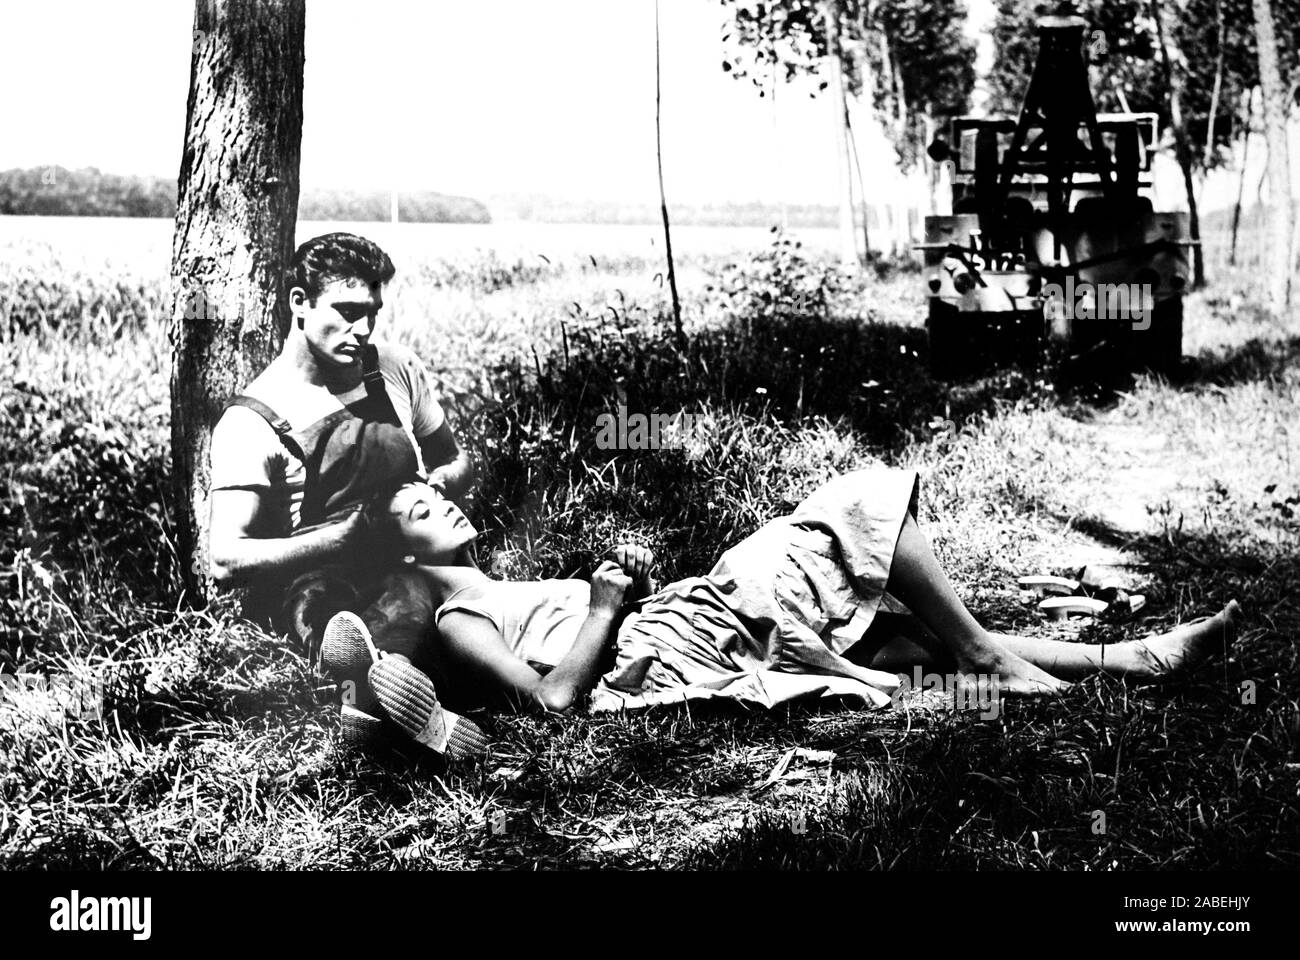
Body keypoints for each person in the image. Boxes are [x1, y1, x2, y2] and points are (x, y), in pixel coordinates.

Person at [325, 470, 1240, 745]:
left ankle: (1139, 659)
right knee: (854, 506)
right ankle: (993, 657)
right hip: (673, 642)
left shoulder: (494, 582)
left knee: (903, 638)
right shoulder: (458, 618)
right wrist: (606, 604)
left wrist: (615, 596)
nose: (440, 501)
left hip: (683, 618)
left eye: (433, 491)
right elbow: (554, 702)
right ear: (406, 552)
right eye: (417, 509)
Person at [206, 233, 486, 758]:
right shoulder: (253, 420)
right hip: (326, 586)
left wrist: (441, 485)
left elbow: (456, 458)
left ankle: (383, 705)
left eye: (372, 313)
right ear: (299, 304)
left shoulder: (394, 369)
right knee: (340, 621)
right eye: (347, 311)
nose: (363, 330)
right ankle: (388, 695)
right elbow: (225, 559)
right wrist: (345, 537)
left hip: (418, 563)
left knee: (424, 594)